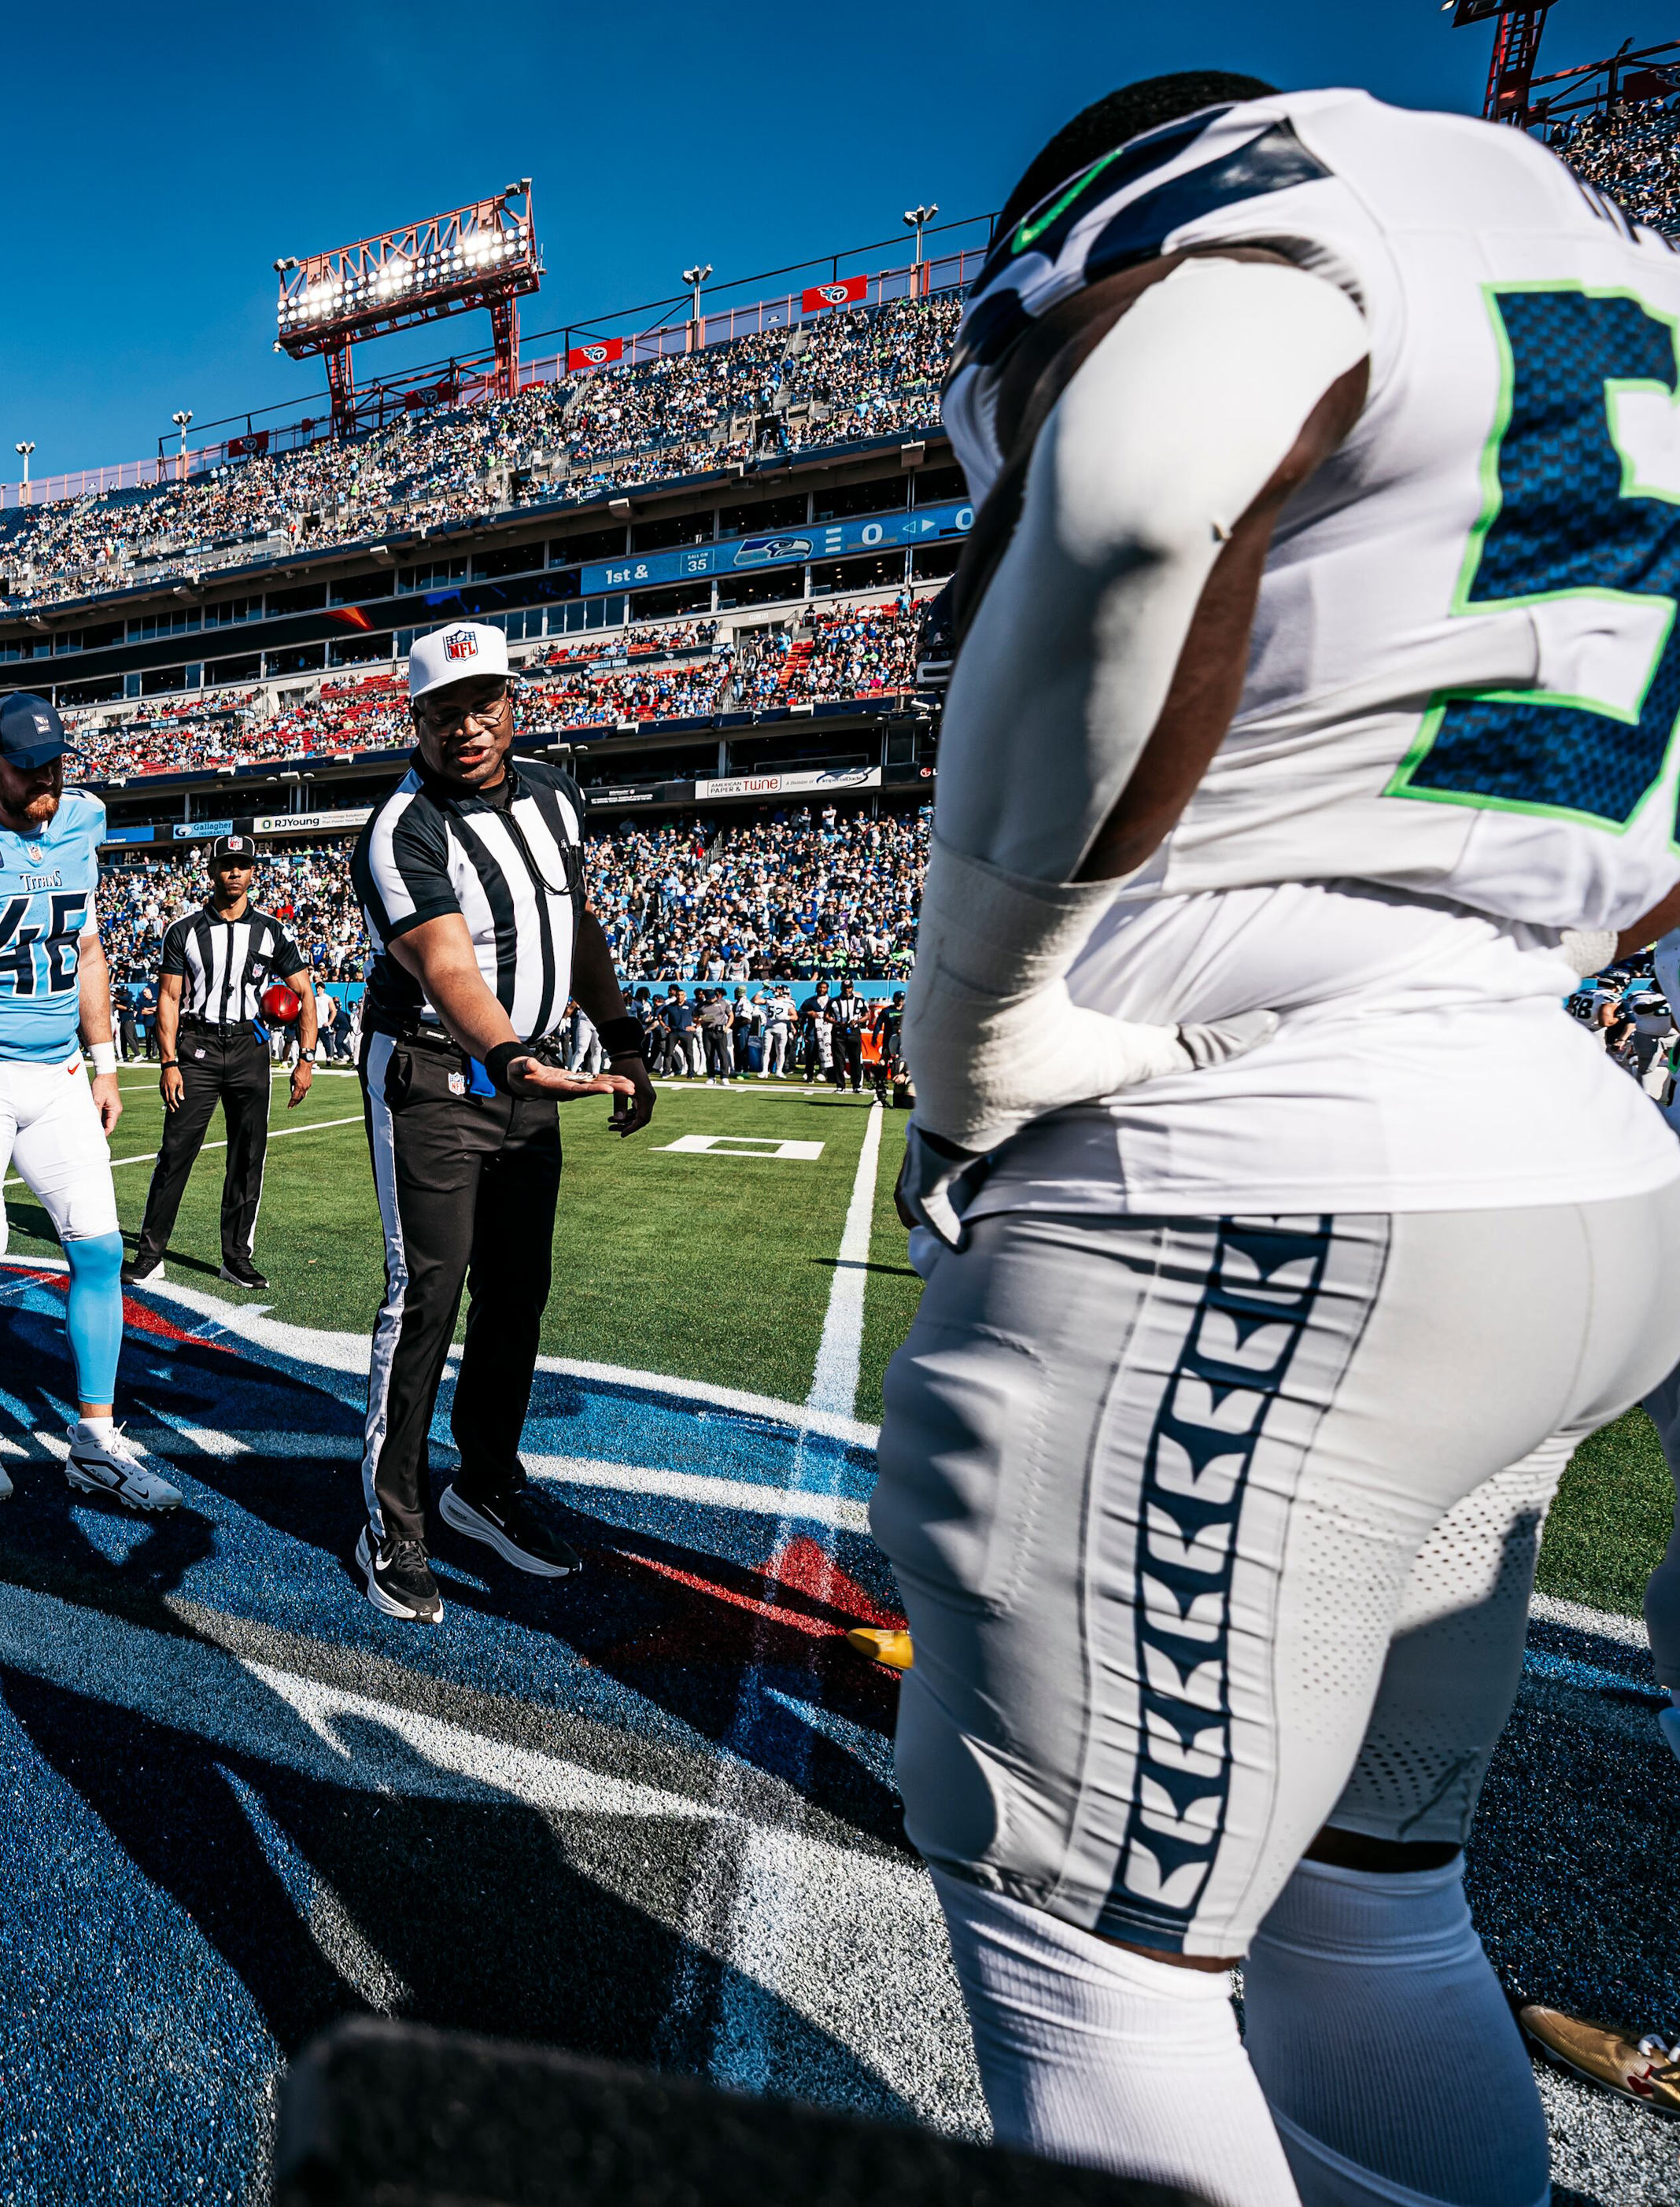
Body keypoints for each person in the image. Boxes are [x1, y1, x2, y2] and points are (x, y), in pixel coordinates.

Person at [878, 76, 1680, 2207]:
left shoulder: (1258, 216)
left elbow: (1138, 494)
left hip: (1252, 1187)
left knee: (1095, 1972)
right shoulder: (1606, 263)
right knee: (1368, 1902)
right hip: (1557, 1157)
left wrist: (975, 1008)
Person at [346, 622, 652, 1623]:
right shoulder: (402, 827)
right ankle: (391, 1519)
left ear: (513, 704)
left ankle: (481, 1481)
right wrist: (516, 1059)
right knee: (426, 1294)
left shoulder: (557, 793)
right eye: (444, 712)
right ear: (416, 721)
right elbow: (445, 967)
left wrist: (623, 1034)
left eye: (484, 705)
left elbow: (575, 921)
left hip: (525, 1078)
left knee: (517, 1290)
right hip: (435, 1075)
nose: (468, 728)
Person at [0, 692, 180, 1511]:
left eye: (54, 764)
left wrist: (105, 1062)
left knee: (96, 1251)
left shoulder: (84, 822)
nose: (45, 783)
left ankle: (94, 1438)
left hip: (55, 1072)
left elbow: (86, 947)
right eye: (27, 769)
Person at [128, 833, 315, 1290]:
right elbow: (170, 997)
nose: (234, 872)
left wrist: (306, 1058)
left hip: (250, 1049)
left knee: (248, 1156)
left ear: (254, 872)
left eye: (242, 865)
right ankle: (151, 1256)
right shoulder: (184, 930)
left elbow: (305, 992)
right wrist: (168, 1062)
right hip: (198, 1048)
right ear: (211, 872)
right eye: (226, 865)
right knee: (175, 1153)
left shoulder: (273, 931)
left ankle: (236, 1258)